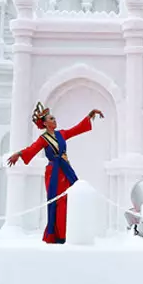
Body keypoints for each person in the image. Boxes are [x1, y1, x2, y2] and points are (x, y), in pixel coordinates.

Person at [7, 103, 104, 244]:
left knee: (71, 199)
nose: (54, 120)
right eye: (51, 119)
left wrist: (90, 115)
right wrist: (19, 153)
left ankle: (70, 231)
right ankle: (58, 234)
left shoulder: (61, 134)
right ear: (45, 123)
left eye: (54, 118)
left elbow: (76, 129)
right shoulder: (43, 139)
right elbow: (32, 149)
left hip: (66, 169)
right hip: (54, 173)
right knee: (58, 201)